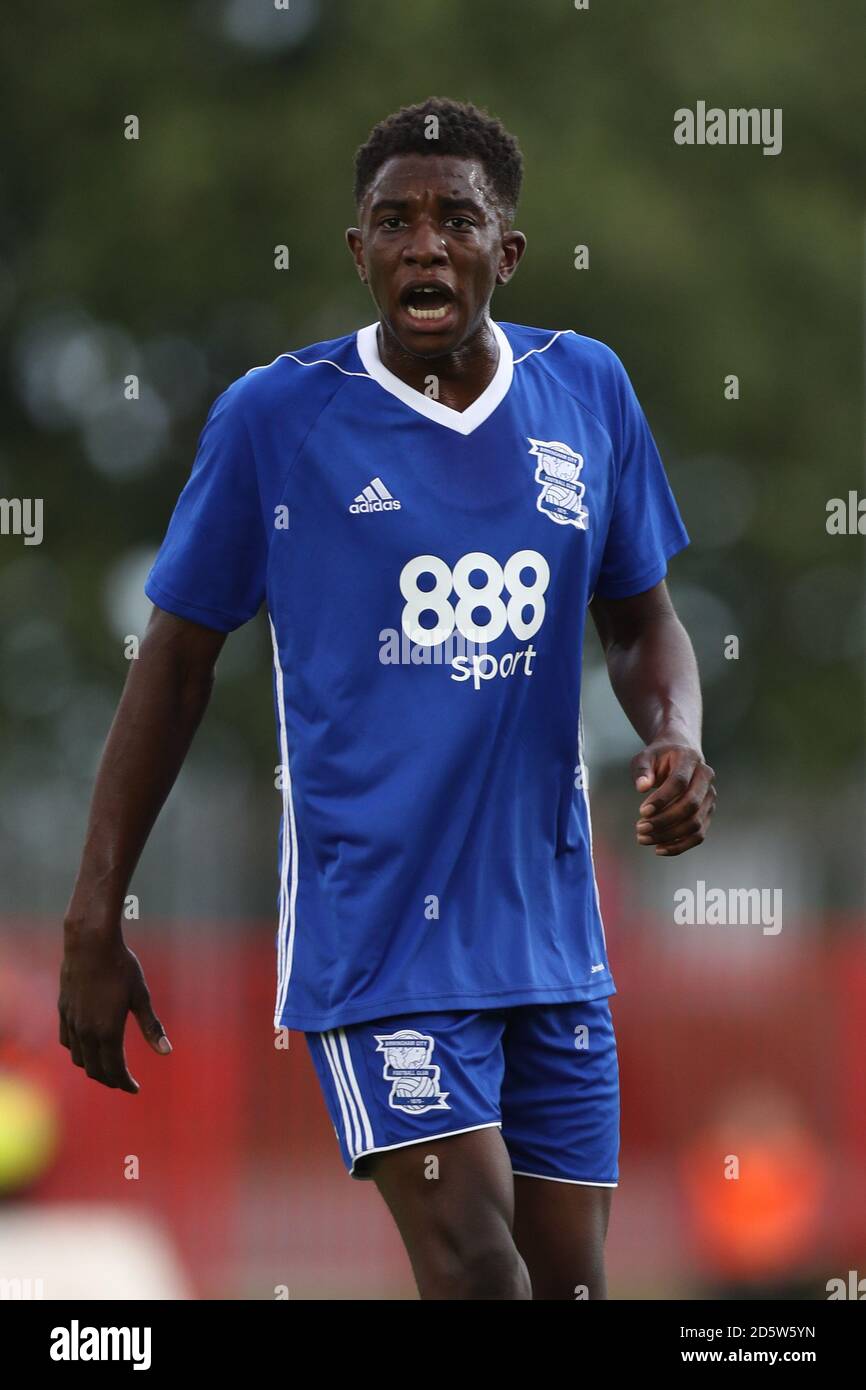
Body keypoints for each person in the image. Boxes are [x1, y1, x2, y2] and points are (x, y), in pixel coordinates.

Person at [59, 97, 716, 1301]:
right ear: (356, 250)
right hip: (378, 949)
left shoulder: (588, 392)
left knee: (570, 1288)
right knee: (479, 1271)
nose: (425, 244)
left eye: (454, 218)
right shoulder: (276, 417)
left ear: (502, 252)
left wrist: (672, 735)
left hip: (551, 944)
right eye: (393, 221)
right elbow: (173, 668)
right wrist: (94, 917)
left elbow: (641, 620)